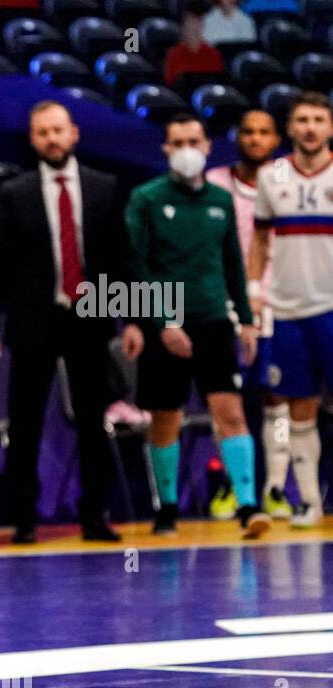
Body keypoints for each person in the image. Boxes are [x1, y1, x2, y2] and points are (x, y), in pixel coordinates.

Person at [0, 100, 133, 544]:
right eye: (43, 132)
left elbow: (123, 259)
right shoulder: (15, 191)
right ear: (33, 139)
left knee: (92, 421)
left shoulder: (105, 186)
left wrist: (137, 320)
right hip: (33, 320)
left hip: (90, 318)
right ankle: (24, 518)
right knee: (25, 422)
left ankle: (94, 515)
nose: (52, 139)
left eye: (58, 130)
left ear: (74, 134)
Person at [126, 113, 268, 538]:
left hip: (212, 322)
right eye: (177, 142)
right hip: (161, 324)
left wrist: (244, 319)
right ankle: (166, 508)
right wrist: (161, 321)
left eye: (194, 140)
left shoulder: (221, 201)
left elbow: (233, 265)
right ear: (165, 149)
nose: (186, 148)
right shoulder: (146, 198)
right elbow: (136, 266)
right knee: (165, 416)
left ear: (208, 146)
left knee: (231, 412)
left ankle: (247, 505)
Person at [249, 92, 333, 529]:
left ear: (330, 128)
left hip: (332, 307)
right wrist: (251, 290)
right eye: (302, 120)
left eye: (319, 119)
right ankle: (307, 500)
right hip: (285, 310)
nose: (311, 127)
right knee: (295, 406)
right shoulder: (271, 176)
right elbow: (260, 241)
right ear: (291, 129)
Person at [205, 109, 289, 520]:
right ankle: (234, 487)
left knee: (279, 400)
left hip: (284, 306)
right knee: (228, 401)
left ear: (276, 139)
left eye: (264, 132)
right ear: (236, 137)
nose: (255, 139)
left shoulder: (292, 185)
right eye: (248, 132)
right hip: (226, 308)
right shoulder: (214, 184)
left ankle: (275, 486)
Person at [164, 1, 224, 92]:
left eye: (199, 21)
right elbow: (170, 88)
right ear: (183, 26)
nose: (196, 26)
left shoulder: (213, 54)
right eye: (191, 21)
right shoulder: (174, 55)